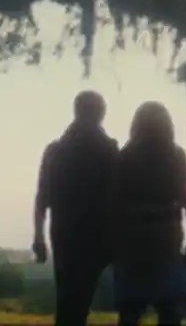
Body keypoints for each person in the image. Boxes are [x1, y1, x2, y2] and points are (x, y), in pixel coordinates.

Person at [112, 102, 186, 326]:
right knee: (169, 306)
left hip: (133, 239)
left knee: (130, 310)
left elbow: (114, 203)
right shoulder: (177, 157)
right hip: (167, 236)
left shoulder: (124, 158)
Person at [33, 90, 120, 326]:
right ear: (101, 114)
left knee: (68, 302)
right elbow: (119, 197)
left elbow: (42, 197)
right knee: (83, 303)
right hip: (98, 237)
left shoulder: (55, 151)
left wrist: (39, 236)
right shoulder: (109, 150)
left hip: (64, 235)